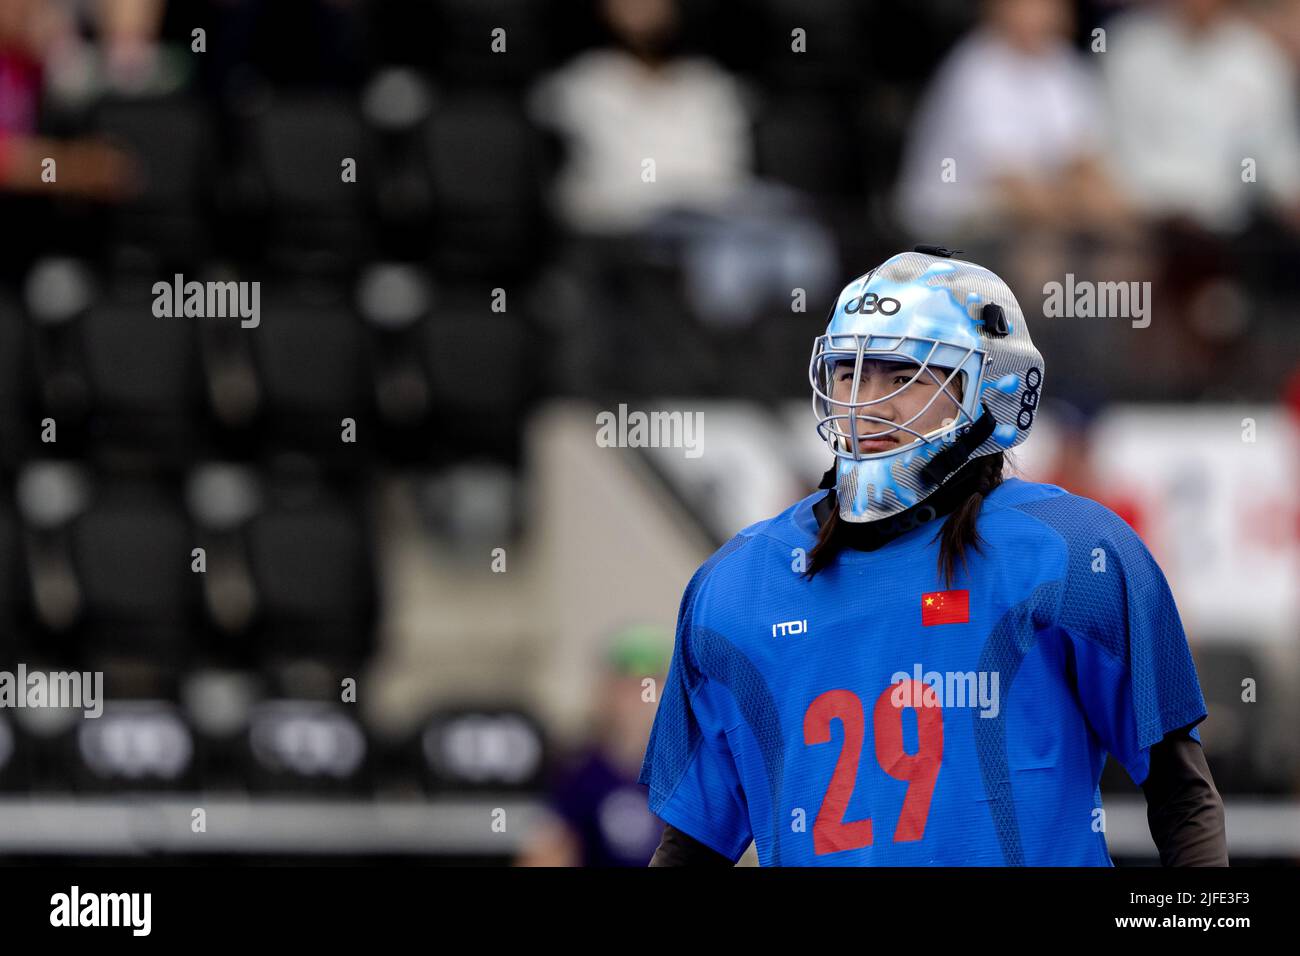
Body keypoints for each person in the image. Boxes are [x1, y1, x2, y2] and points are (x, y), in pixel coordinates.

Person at [638, 246, 1227, 866]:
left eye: (903, 375)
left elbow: (1181, 798)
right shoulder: (735, 586)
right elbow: (691, 847)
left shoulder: (1072, 554)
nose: (869, 401)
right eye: (849, 372)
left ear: (990, 389)